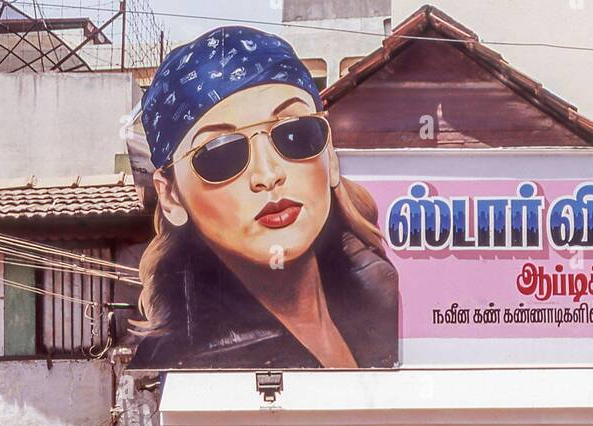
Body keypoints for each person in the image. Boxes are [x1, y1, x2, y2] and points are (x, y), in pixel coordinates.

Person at [131, 25, 399, 370]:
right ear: (171, 196)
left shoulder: (387, 301)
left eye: (295, 133)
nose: (268, 174)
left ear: (329, 155)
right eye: (221, 153)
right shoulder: (190, 364)